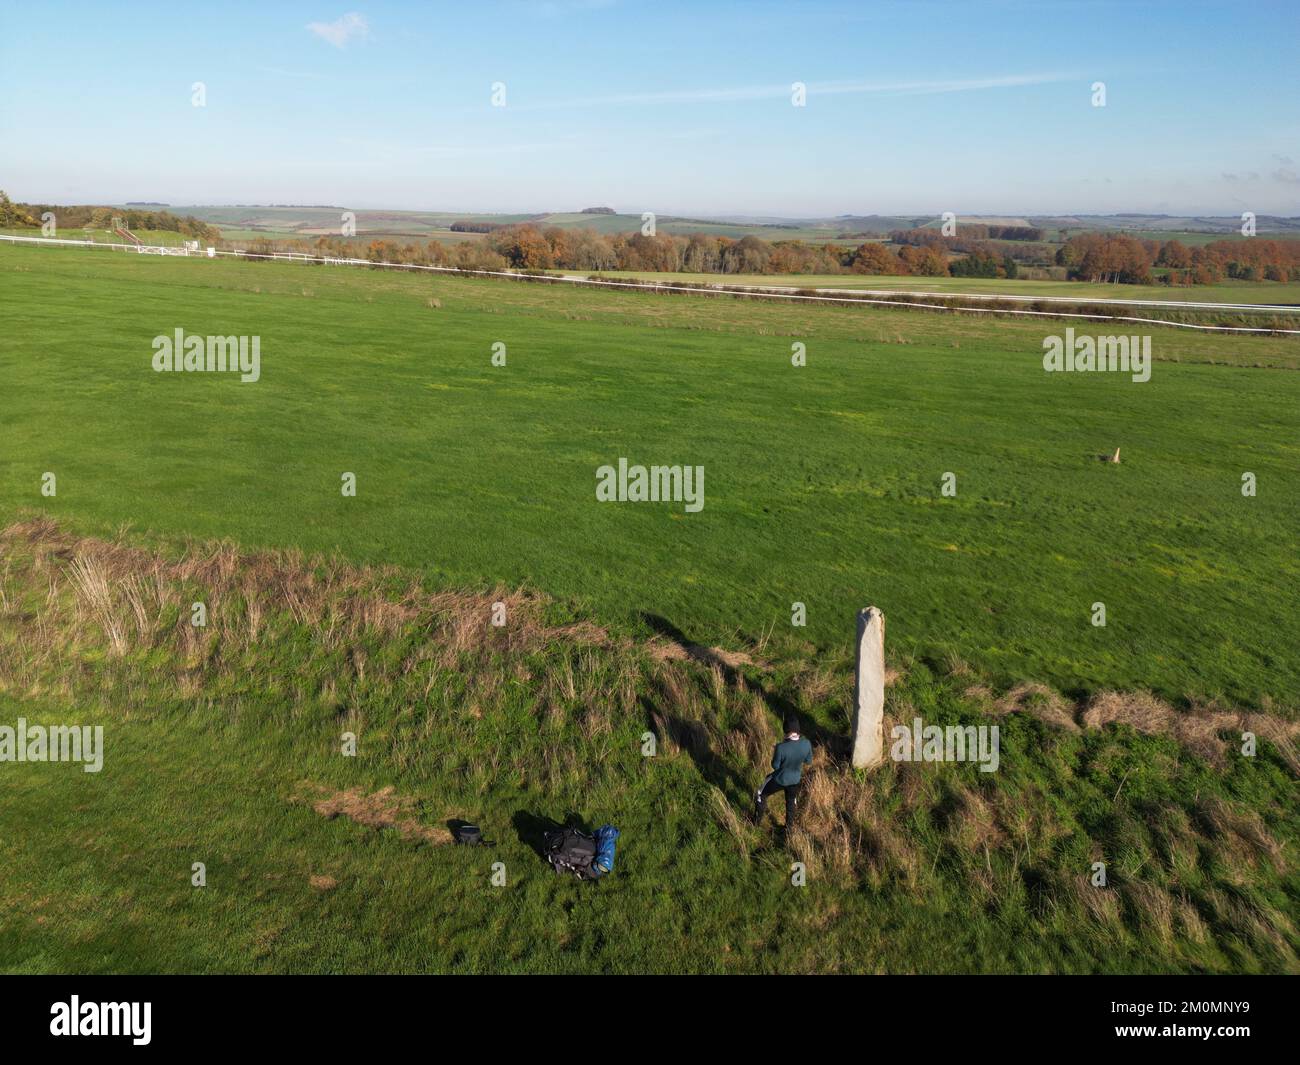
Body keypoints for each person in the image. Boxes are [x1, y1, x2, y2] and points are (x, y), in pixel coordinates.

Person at [754, 714, 812, 827]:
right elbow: (808, 761)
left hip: (779, 779)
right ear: (798, 730)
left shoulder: (781, 747)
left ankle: (755, 823)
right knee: (791, 802)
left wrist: (777, 751)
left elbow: (775, 766)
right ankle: (789, 830)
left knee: (760, 794)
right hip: (795, 780)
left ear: (786, 731)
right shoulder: (807, 744)